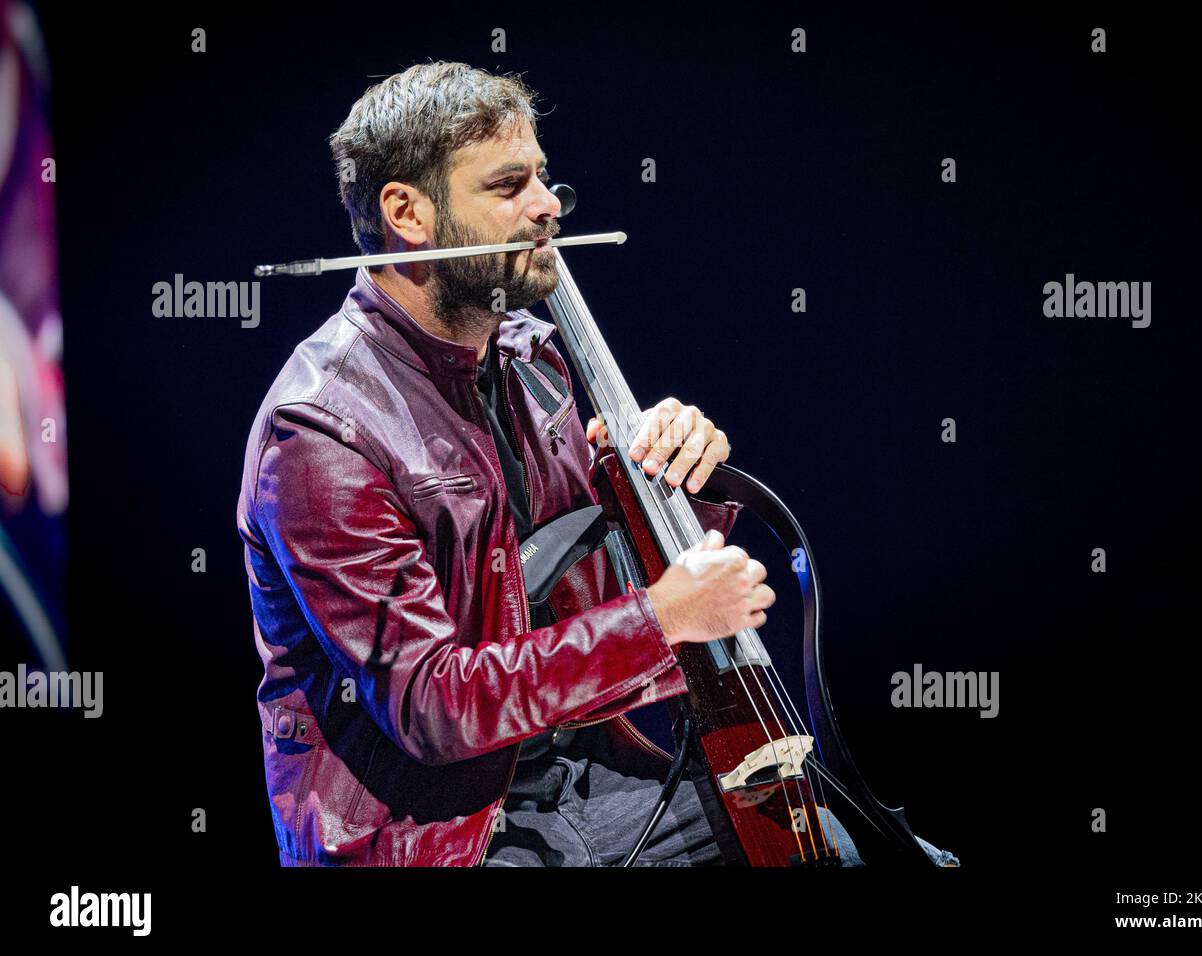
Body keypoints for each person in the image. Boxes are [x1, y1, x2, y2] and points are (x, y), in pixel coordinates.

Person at [238, 61, 952, 867]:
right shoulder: (324, 433)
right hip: (440, 836)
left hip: (577, 777)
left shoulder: (528, 360)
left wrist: (676, 490)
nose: (548, 206)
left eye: (543, 177)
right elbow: (434, 707)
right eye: (509, 186)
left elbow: (585, 593)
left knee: (849, 850)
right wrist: (666, 617)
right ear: (407, 211)